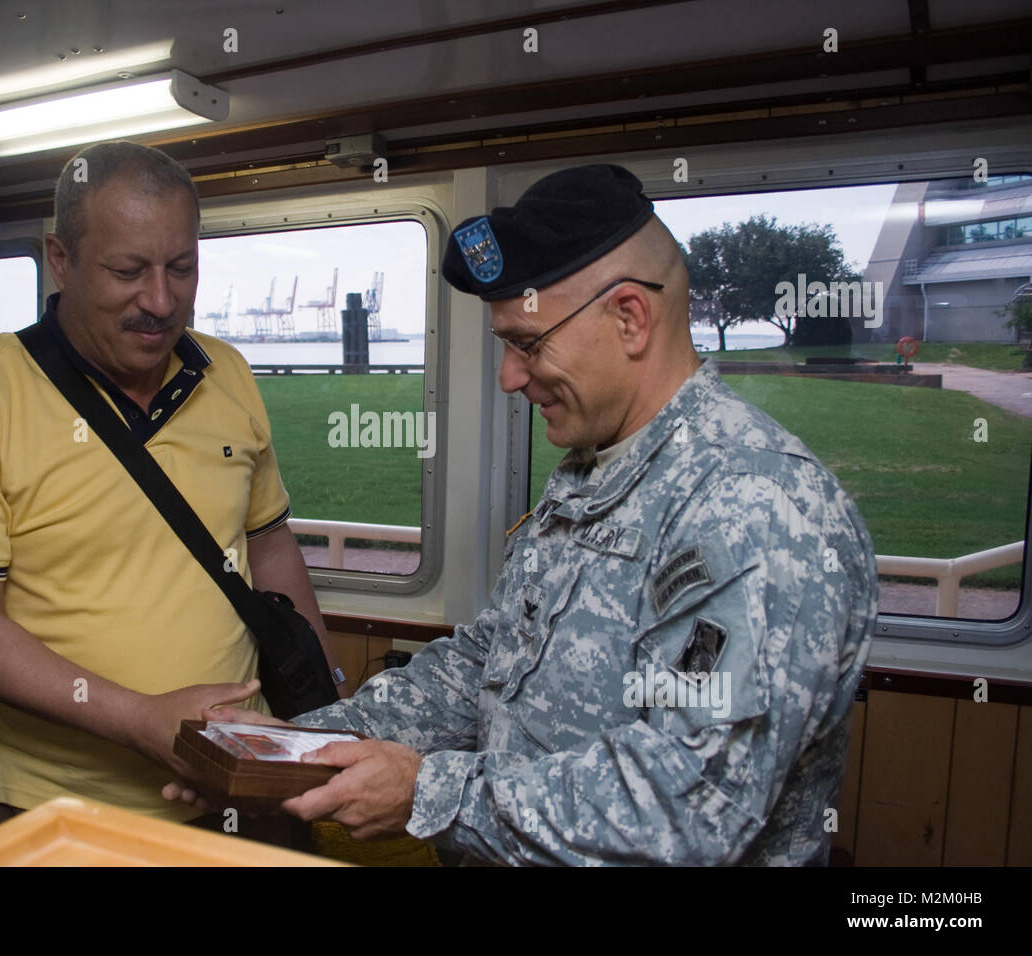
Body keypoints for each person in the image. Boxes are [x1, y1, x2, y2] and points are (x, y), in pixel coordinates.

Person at [178, 164, 877, 865]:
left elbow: (688, 806)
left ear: (630, 317)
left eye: (528, 343)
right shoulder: (590, 472)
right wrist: (291, 751)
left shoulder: (757, 506)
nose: (511, 377)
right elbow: (488, 661)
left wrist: (429, 793)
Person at [0, 141, 341, 826]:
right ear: (61, 258)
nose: (161, 301)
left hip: (239, 784)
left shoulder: (228, 372)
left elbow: (271, 547)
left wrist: (321, 717)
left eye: (182, 268)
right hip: (58, 808)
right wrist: (141, 721)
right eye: (128, 271)